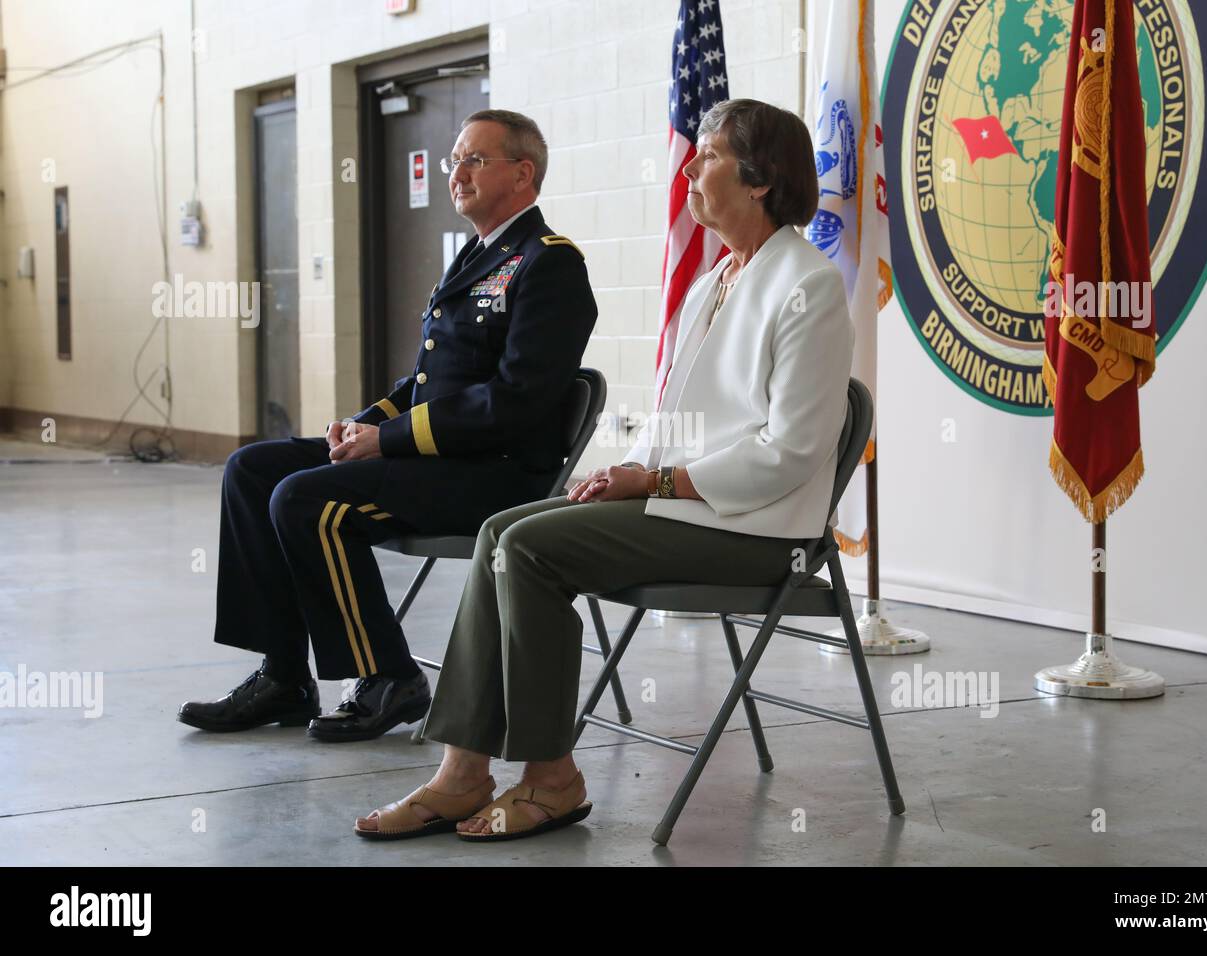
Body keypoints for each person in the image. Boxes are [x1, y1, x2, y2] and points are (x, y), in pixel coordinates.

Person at [354, 98, 854, 842]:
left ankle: (552, 779)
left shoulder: (807, 285)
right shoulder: (712, 283)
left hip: (755, 528)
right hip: (686, 506)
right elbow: (676, 419)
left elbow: (792, 452)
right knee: (500, 531)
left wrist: (654, 484)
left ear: (759, 179)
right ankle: (462, 772)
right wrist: (626, 467)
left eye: (709, 155)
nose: (690, 166)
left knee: (529, 549)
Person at [177, 109, 597, 743]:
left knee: (303, 499)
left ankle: (389, 676)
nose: (457, 172)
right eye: (456, 158)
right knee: (252, 469)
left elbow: (513, 402)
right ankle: (285, 675)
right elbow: (427, 383)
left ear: (523, 173)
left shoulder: (549, 265)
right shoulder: (473, 257)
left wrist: (390, 441)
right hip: (437, 461)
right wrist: (363, 424)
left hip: (497, 476)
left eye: (474, 159)